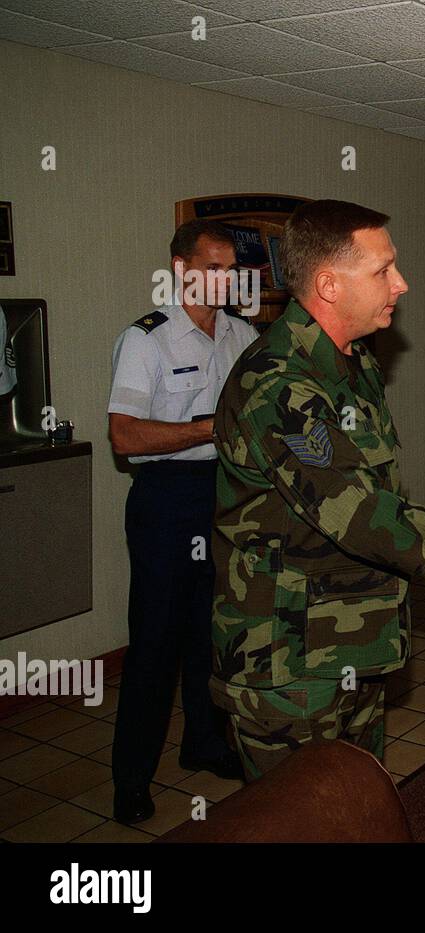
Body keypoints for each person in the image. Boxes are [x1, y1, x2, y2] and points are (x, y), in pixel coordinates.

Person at [210, 199, 425, 780]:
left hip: (351, 639)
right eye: (383, 270)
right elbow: (357, 512)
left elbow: (378, 494)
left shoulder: (351, 362)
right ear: (329, 284)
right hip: (289, 657)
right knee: (301, 820)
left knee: (359, 806)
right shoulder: (279, 383)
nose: (402, 283)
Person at [107, 220, 257, 824]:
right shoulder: (147, 340)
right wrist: (203, 429)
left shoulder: (242, 334)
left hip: (223, 493)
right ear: (180, 268)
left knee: (212, 629)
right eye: (211, 269)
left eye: (230, 270)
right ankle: (131, 777)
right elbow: (124, 437)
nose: (223, 281)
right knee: (155, 640)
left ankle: (203, 741)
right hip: (166, 497)